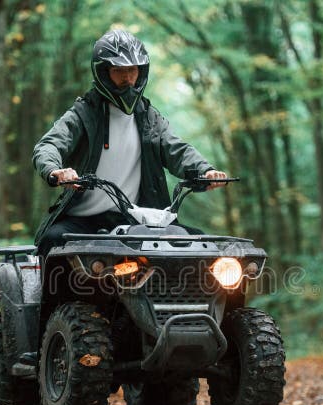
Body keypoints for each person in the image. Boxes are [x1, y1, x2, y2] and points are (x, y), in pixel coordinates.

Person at [32, 29, 227, 256]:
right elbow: (48, 146)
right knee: (53, 240)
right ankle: (52, 292)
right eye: (119, 71)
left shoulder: (149, 117)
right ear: (103, 73)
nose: (128, 78)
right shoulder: (82, 113)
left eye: (132, 70)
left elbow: (178, 150)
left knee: (202, 247)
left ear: (141, 71)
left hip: (137, 220)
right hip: (83, 221)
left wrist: (206, 171)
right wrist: (56, 171)